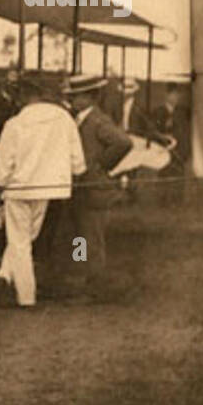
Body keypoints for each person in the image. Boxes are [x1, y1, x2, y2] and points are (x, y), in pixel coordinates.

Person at [0, 72, 86, 307]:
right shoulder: (64, 118)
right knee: (26, 238)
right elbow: (78, 163)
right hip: (50, 188)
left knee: (20, 243)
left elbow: (3, 166)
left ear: (24, 94)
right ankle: (3, 274)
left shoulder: (15, 124)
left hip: (20, 190)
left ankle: (26, 299)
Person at [62, 72, 133, 297]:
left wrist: (101, 165)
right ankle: (83, 275)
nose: (72, 100)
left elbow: (123, 142)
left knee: (91, 236)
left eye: (76, 96)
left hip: (93, 189)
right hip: (82, 189)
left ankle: (96, 283)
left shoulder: (97, 120)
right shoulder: (81, 119)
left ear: (90, 97)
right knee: (80, 235)